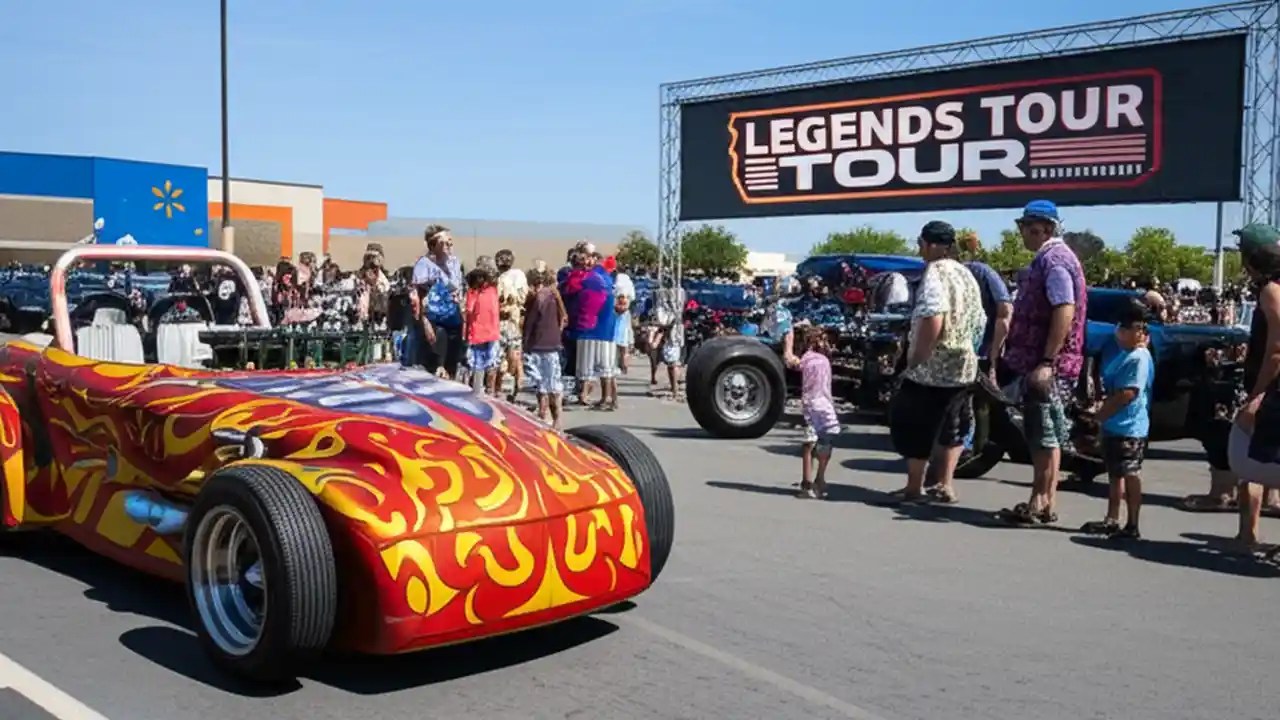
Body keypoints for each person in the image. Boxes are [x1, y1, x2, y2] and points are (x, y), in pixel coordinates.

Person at [998, 200, 1087, 525]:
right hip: (1045, 362)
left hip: (1048, 365)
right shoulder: (1051, 259)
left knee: (1043, 433)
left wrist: (1048, 360)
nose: (1022, 233)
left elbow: (1064, 307)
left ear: (1045, 229)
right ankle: (1045, 501)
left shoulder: (1054, 260)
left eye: (1026, 227)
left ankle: (1039, 501)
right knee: (1044, 432)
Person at [888, 221, 986, 504]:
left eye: (921, 244)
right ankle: (945, 484)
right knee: (953, 426)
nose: (920, 250)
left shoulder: (935, 273)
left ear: (931, 245)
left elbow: (934, 316)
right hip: (963, 365)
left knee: (915, 425)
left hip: (933, 366)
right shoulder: (966, 274)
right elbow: (980, 319)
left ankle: (914, 487)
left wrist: (916, 357)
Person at [1080, 299, 1153, 540]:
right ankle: (1112, 518)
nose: (1119, 333)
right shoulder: (1127, 355)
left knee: (1130, 472)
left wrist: (1100, 415)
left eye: (1124, 328)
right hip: (1115, 426)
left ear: (1138, 332)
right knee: (1115, 474)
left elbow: (1128, 393)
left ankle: (1132, 524)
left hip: (1129, 427)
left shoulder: (1139, 358)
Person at [1228, 223, 1280, 553]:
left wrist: (1257, 396)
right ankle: (1246, 533)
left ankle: (1247, 534)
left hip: (1271, 389)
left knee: (1252, 459)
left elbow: (1276, 351)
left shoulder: (1271, 291)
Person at [413, 225, 465, 377]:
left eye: (450, 242)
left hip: (454, 320)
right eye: (443, 242)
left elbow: (458, 291)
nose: (449, 245)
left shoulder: (454, 263)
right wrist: (425, 322)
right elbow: (419, 296)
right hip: (434, 321)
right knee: (435, 367)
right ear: (432, 245)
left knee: (452, 365)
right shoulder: (424, 265)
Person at [571, 252, 619, 410]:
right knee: (607, 367)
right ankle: (608, 398)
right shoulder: (607, 278)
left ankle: (604, 398)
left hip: (590, 327)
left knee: (593, 366)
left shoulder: (591, 278)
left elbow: (576, 294)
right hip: (605, 328)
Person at [798, 326, 841, 499]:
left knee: (810, 444)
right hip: (822, 406)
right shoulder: (820, 360)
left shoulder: (808, 359)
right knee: (822, 443)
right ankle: (817, 479)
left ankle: (809, 482)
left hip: (813, 404)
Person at [523, 267, 569, 429]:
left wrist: (525, 342)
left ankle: (544, 414)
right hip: (552, 344)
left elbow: (530, 323)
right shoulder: (555, 295)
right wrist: (556, 333)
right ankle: (556, 419)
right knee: (552, 384)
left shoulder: (538, 298)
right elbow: (564, 319)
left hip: (538, 344)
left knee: (541, 383)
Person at [495, 249, 528, 402]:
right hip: (508, 320)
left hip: (508, 321)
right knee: (511, 354)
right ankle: (512, 385)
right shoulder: (517, 275)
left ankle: (505, 387)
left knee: (506, 355)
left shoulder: (509, 277)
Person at [464, 264, 501, 395]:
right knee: (492, 363)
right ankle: (490, 390)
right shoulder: (493, 290)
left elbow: (469, 310)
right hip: (493, 332)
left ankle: (477, 390)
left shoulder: (473, 293)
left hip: (478, 333)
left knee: (478, 363)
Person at [610, 257, 636, 375]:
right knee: (624, 340)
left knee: (616, 338)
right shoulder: (629, 282)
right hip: (626, 312)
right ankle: (624, 364)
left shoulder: (616, 281)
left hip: (616, 313)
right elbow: (632, 298)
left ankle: (617, 364)